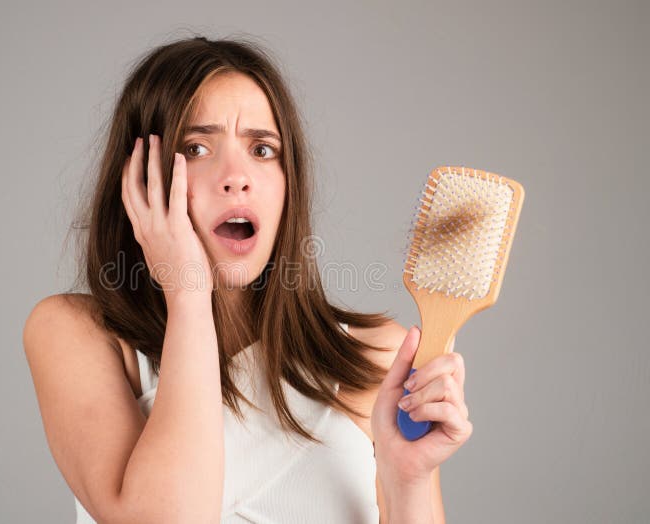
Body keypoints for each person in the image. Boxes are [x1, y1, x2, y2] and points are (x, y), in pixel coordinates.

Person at [23, 34, 472, 524]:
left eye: (262, 149)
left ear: (288, 184)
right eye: (195, 147)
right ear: (138, 179)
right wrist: (188, 294)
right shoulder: (74, 334)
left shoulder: (374, 357)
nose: (237, 176)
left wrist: (409, 480)